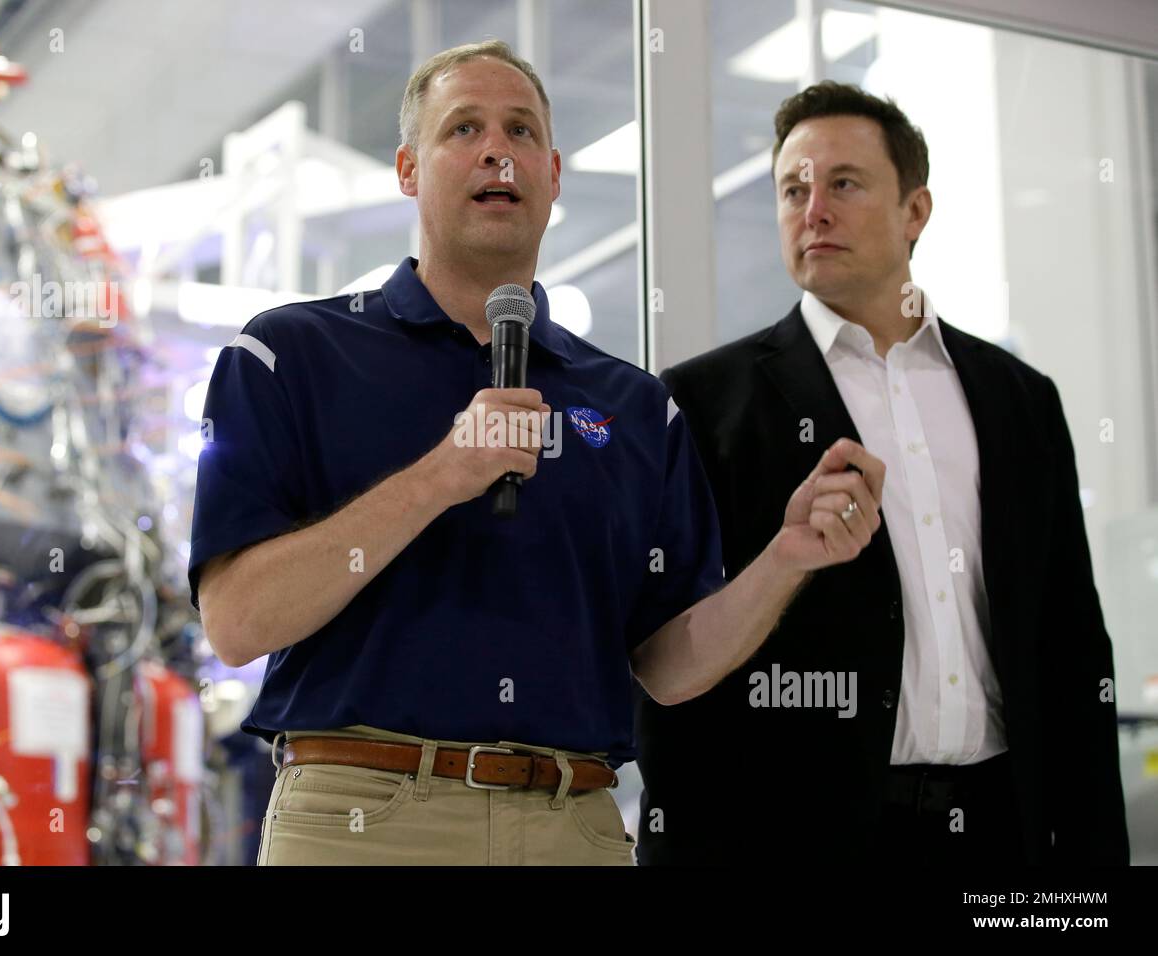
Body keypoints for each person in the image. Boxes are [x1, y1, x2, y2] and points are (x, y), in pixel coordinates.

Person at [189, 44, 884, 866]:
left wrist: (787, 558)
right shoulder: (290, 355)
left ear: (552, 175)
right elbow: (236, 624)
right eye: (464, 129)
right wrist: (442, 475)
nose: (497, 150)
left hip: (573, 826)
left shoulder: (633, 407)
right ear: (408, 169)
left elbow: (667, 667)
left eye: (521, 131)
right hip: (362, 821)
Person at [636, 81, 1129, 865]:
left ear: (916, 212)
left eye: (844, 184)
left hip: (1006, 831)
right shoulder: (698, 404)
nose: (813, 210)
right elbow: (662, 658)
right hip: (801, 845)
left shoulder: (1020, 398)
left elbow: (1070, 643)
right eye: (793, 189)